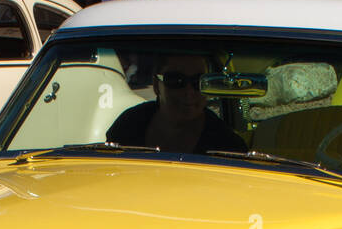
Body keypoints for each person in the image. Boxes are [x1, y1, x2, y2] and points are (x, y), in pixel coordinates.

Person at [105, 54, 245, 155]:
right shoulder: (129, 124)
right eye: (176, 81)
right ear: (156, 85)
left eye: (198, 81)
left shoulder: (228, 147)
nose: (188, 92)